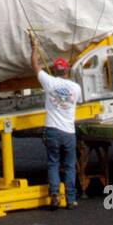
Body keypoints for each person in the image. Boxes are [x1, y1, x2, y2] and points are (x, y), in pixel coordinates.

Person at [31, 38, 83, 209]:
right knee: (69, 166)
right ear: (67, 71)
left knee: (53, 163)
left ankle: (54, 194)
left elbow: (36, 66)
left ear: (54, 70)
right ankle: (71, 199)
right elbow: (79, 102)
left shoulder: (50, 82)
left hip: (53, 129)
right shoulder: (75, 88)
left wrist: (34, 49)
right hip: (69, 132)